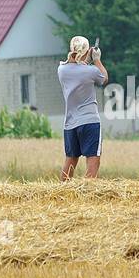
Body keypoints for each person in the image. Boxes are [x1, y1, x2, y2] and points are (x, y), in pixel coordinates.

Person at [57, 35, 108, 180]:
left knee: (71, 159)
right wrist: (96, 59)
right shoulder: (91, 71)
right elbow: (104, 78)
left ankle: (62, 191)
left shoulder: (62, 70)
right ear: (86, 51)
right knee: (93, 158)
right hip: (89, 121)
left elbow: (77, 66)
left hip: (70, 123)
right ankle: (89, 192)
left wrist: (86, 58)